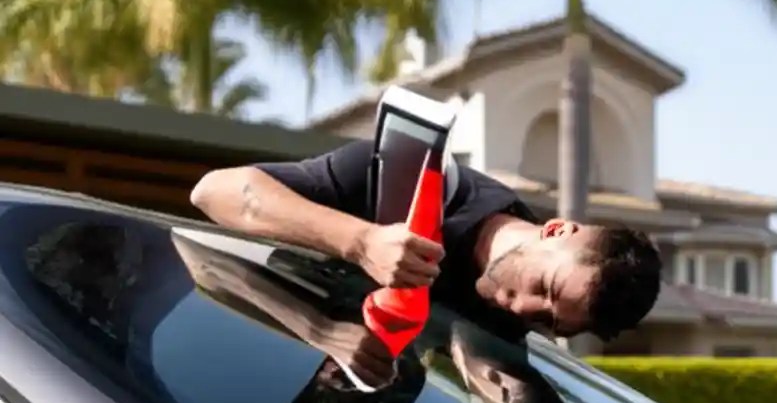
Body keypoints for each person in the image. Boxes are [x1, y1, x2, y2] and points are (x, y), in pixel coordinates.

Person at [189, 137, 662, 342]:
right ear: (557, 230)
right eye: (547, 287)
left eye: (546, 320)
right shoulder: (411, 180)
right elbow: (214, 191)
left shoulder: (499, 327)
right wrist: (361, 242)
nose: (523, 309)